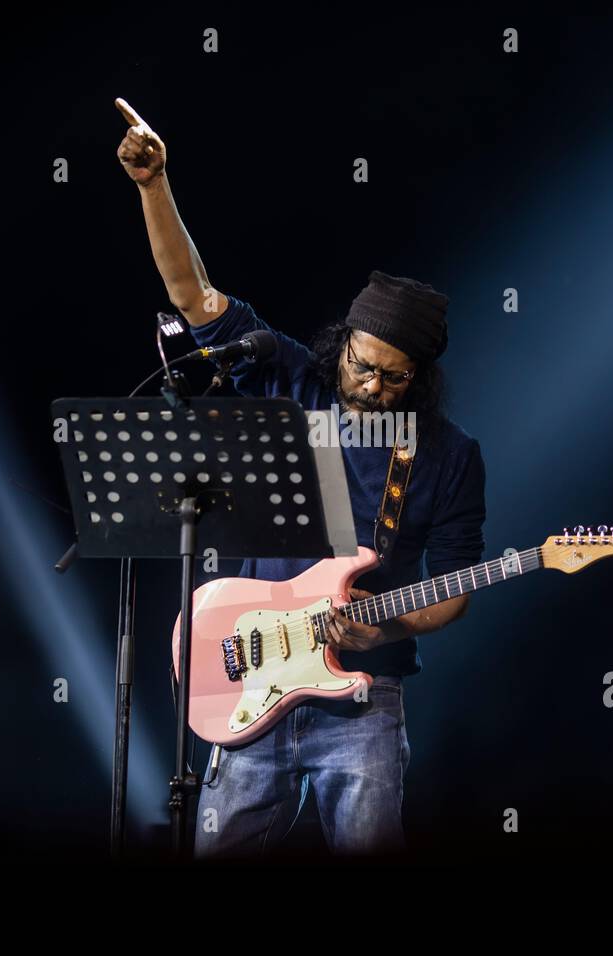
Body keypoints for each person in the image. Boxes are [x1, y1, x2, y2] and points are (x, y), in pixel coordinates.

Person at [115, 98, 487, 857]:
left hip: (364, 699)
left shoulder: (448, 456)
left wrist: (384, 625)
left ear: (417, 379)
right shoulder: (292, 379)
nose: (370, 384)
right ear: (344, 339)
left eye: (392, 377)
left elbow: (453, 594)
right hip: (249, 676)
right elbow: (192, 295)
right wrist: (155, 185)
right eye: (361, 362)